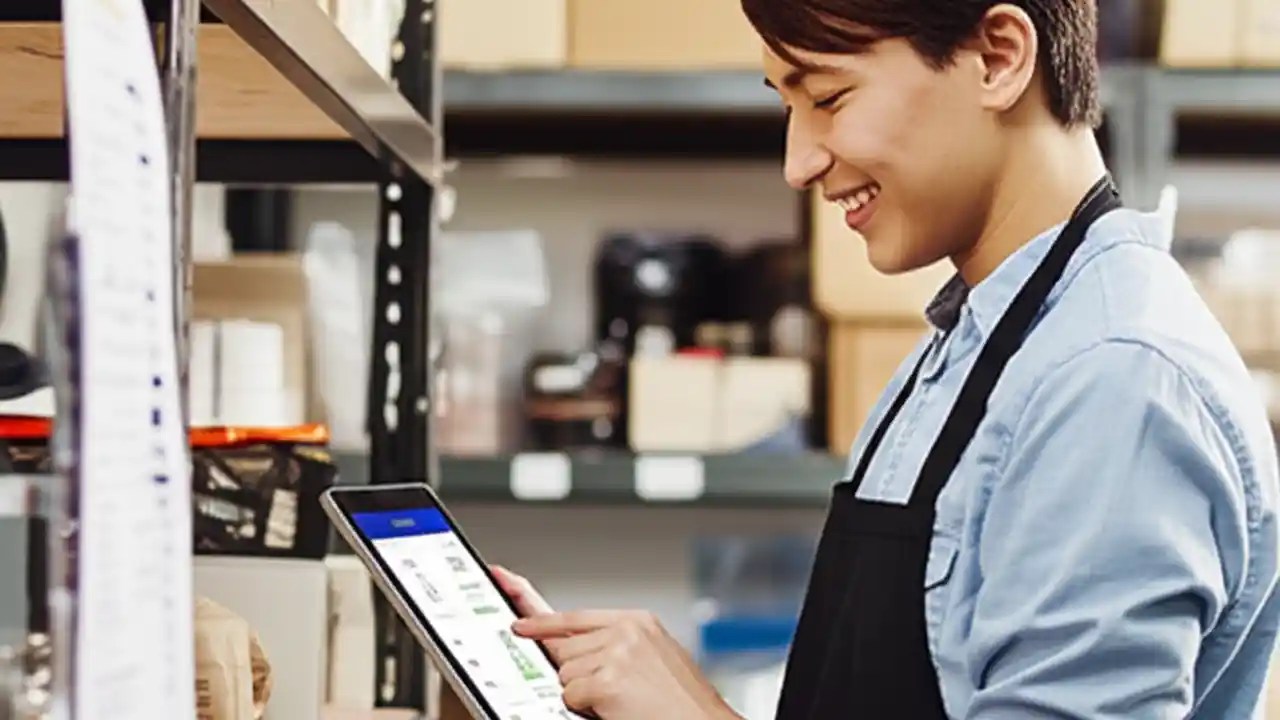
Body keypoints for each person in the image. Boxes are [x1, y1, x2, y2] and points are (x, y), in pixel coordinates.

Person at [497, 1, 1280, 717]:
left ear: (998, 57)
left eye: (829, 98)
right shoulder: (971, 344)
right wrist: (660, 688)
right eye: (786, 104)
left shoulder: (1111, 376)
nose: (798, 162)